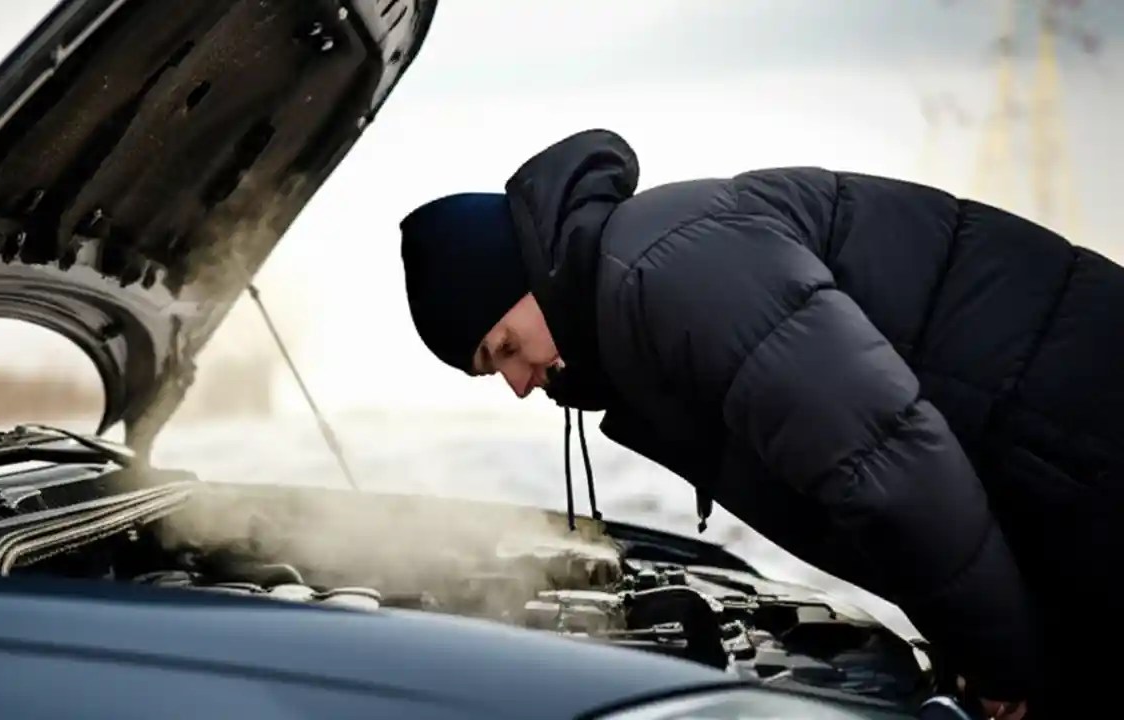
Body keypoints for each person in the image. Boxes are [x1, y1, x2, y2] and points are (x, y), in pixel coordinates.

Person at [397, 128, 1124, 718]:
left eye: (504, 350)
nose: (520, 384)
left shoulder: (666, 270)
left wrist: (998, 662)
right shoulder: (642, 283)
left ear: (525, 278)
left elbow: (886, 466)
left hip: (1085, 448)